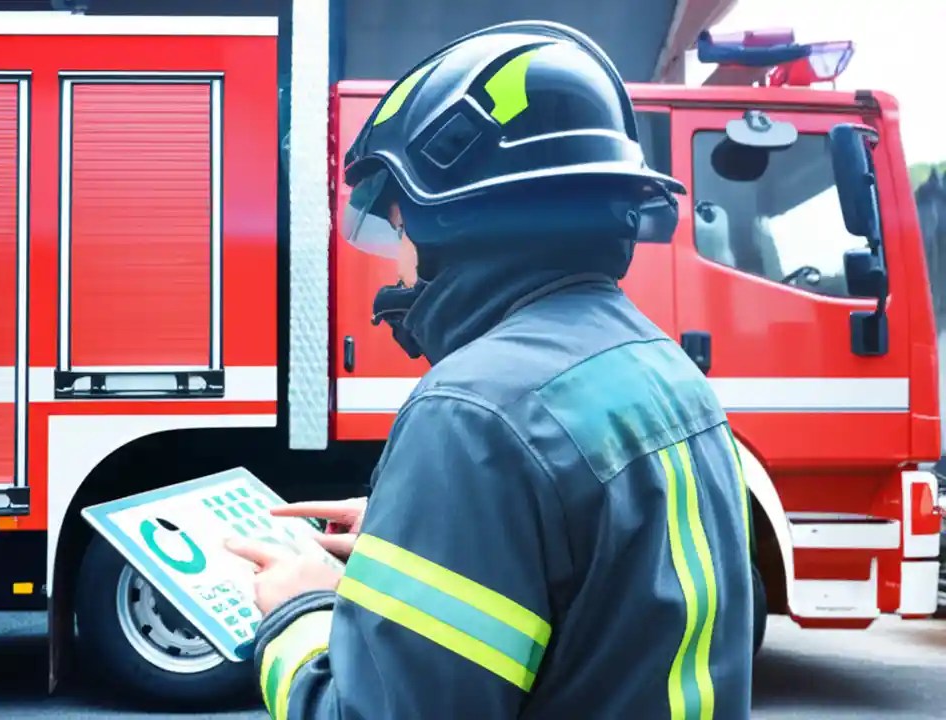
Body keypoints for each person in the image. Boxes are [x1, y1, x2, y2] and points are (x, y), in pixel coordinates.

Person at [224, 19, 755, 720]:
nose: (396, 259)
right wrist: (420, 532)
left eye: (401, 226)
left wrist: (298, 614)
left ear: (459, 222)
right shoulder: (666, 372)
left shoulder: (473, 414)